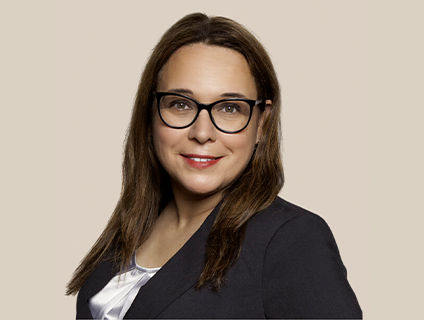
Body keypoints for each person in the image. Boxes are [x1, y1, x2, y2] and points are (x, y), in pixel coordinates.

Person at [66, 12, 362, 319]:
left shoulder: (291, 241)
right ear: (151, 111)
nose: (203, 133)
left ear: (261, 122)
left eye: (230, 108)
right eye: (180, 104)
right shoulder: (125, 236)